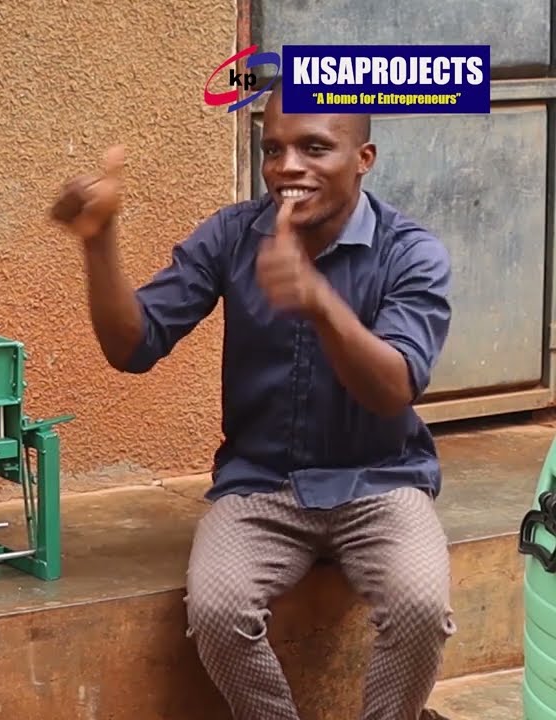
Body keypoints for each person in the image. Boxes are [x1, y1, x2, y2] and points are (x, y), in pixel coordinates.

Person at [50, 85, 455, 720]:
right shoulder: (232, 236)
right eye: (274, 149)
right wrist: (99, 241)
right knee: (216, 610)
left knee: (421, 605)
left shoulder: (411, 253)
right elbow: (133, 346)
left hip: (380, 477)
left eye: (315, 148)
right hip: (262, 484)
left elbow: (394, 386)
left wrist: (317, 299)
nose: (288, 166)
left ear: (364, 158)